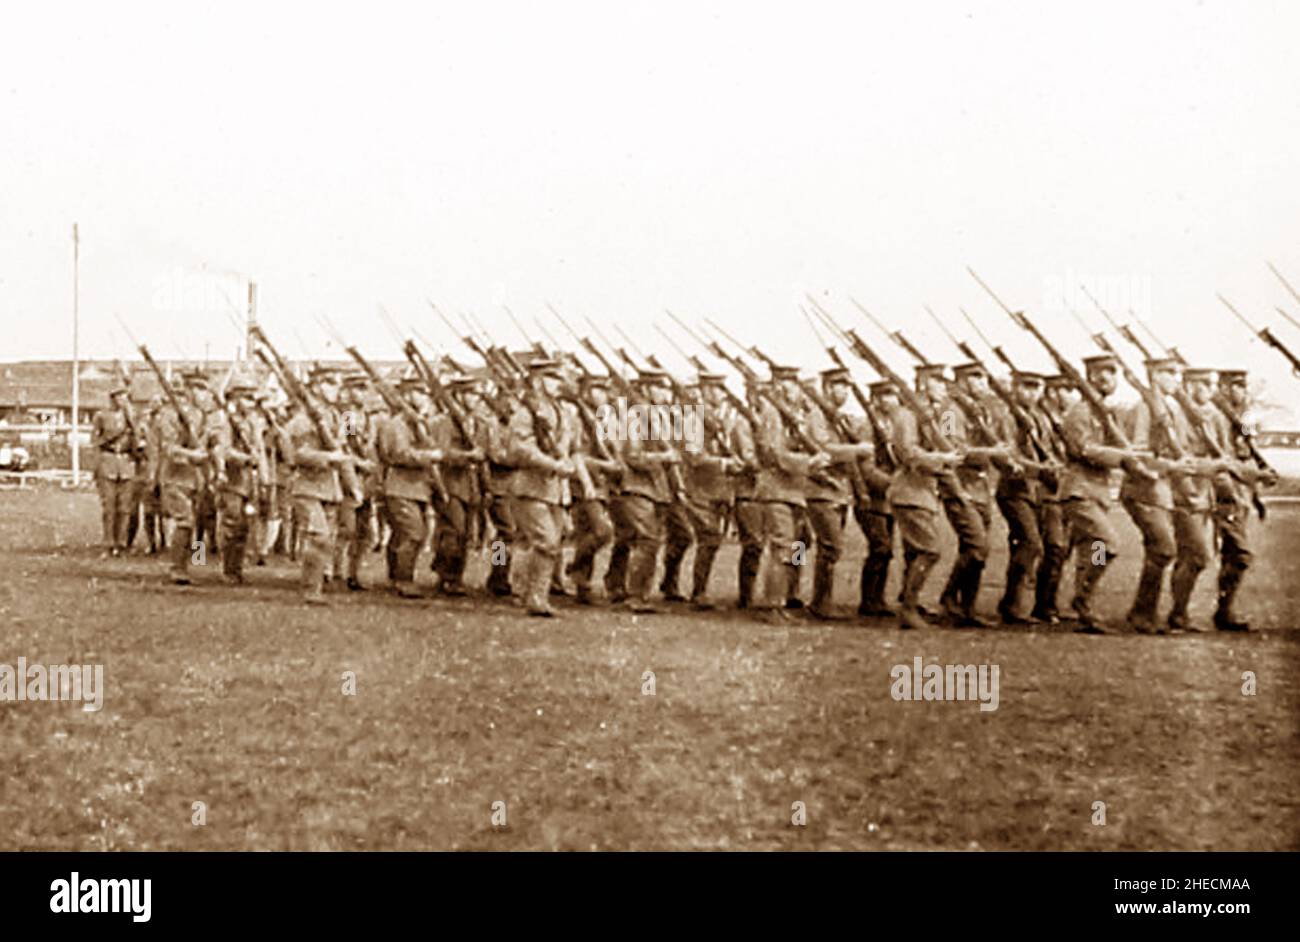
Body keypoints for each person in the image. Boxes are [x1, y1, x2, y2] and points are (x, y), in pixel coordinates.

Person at [507, 358, 575, 617]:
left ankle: (528, 593)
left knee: (542, 543)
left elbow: (568, 448)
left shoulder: (560, 413)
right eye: (552, 378)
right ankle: (501, 578)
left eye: (559, 378)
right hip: (519, 485)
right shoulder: (524, 414)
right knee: (503, 539)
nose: (558, 383)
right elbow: (518, 449)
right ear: (537, 381)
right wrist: (554, 464)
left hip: (550, 488)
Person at [1209, 369, 1276, 631]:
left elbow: (1249, 454)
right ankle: (1220, 612)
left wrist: (1256, 496)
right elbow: (1222, 463)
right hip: (1226, 496)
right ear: (1223, 388)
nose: (1241, 391)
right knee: (1239, 555)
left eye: (1243, 386)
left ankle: (1224, 612)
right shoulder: (1215, 418)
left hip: (1241, 496)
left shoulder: (1241, 420)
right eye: (1235, 386)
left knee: (1232, 556)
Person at [375, 374, 443, 599]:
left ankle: (398, 576)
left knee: (498, 536)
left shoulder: (427, 423)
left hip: (428, 486)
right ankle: (402, 578)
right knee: (413, 534)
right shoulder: (396, 424)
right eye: (419, 393)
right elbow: (395, 454)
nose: (424, 398)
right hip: (400, 485)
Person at [210, 377, 265, 585]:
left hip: (250, 481)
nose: (251, 403)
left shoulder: (253, 421)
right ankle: (224, 567)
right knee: (229, 525)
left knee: (244, 527)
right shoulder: (225, 421)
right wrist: (245, 459)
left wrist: (263, 477)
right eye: (247, 397)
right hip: (232, 480)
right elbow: (222, 450)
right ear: (235, 398)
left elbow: (260, 449)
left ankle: (237, 567)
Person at [90, 383, 138, 557]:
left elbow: (137, 440)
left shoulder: (131, 417)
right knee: (109, 507)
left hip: (126, 463)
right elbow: (95, 443)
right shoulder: (101, 416)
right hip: (108, 461)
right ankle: (108, 543)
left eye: (125, 396)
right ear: (112, 398)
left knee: (125, 508)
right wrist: (96, 467)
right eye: (119, 396)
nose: (122, 400)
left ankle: (122, 543)